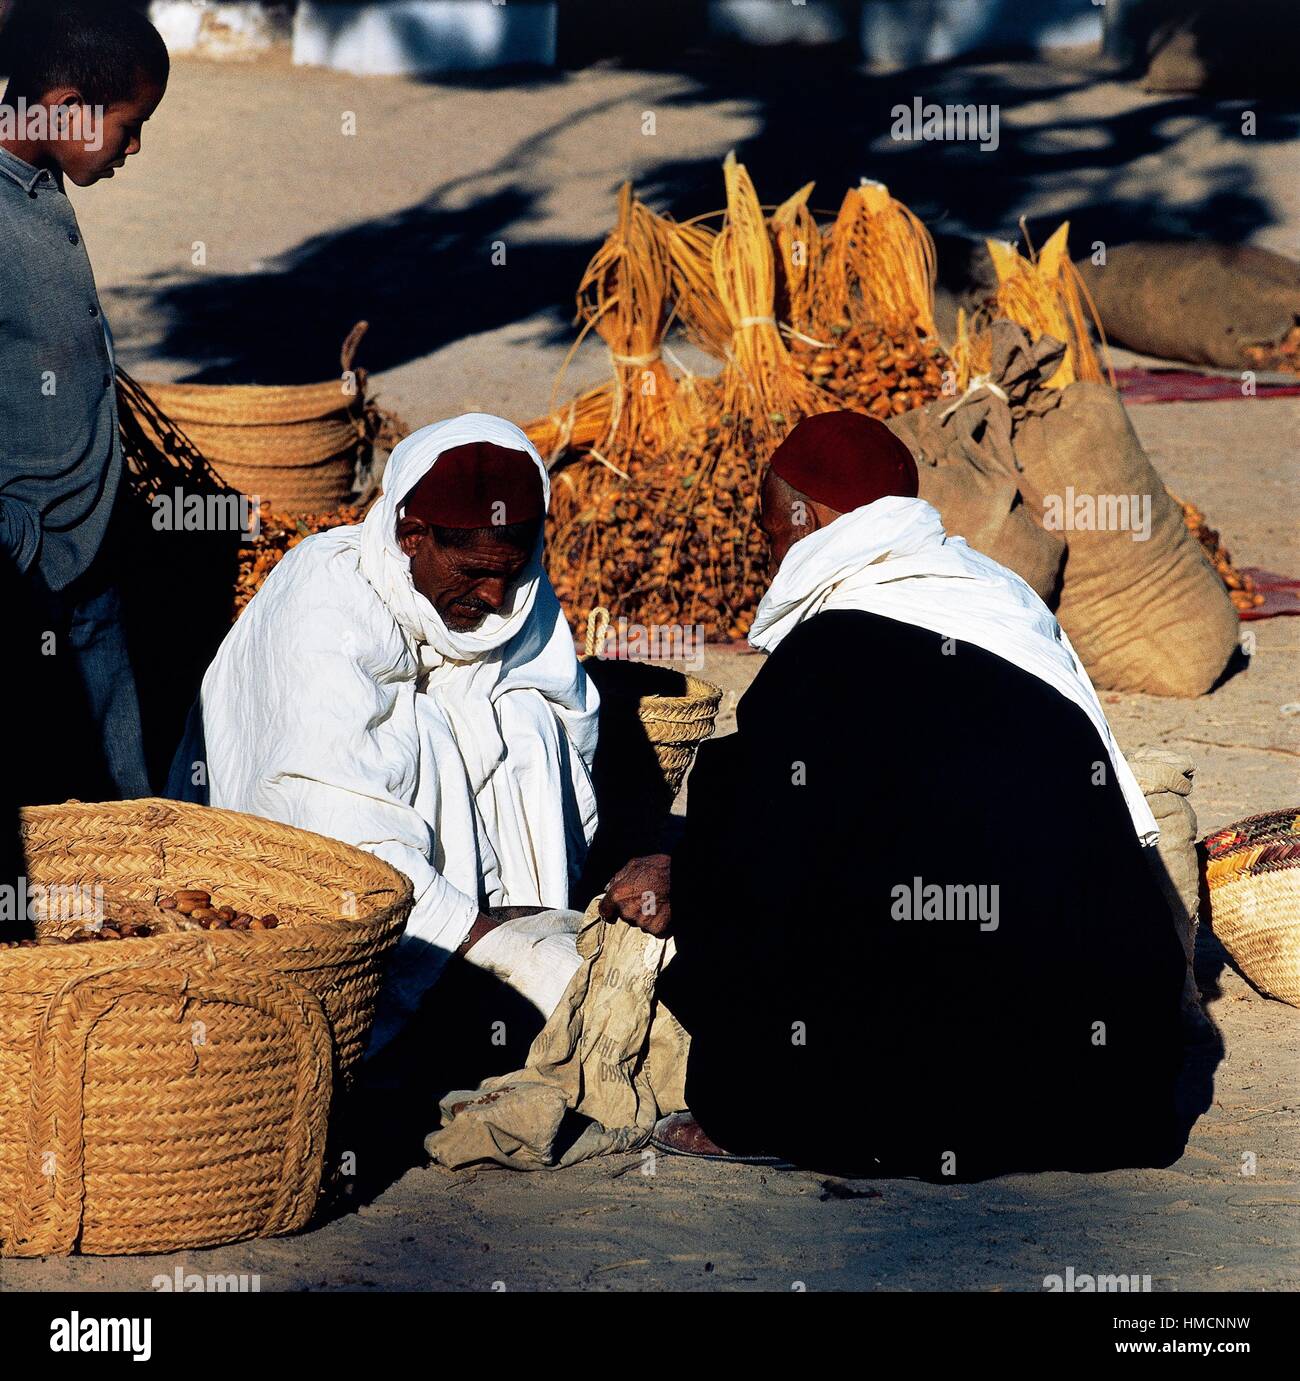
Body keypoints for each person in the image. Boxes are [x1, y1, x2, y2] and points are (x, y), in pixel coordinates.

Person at [603, 410, 1188, 1179]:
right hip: (1113, 1087)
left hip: (950, 1082)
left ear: (805, 519)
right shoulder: (1001, 601)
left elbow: (767, 854)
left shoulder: (827, 654)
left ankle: (761, 1107)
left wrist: (696, 872)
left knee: (747, 827)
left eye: (772, 532)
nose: (772, 557)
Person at [194, 416, 600, 1054]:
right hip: (341, 907)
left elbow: (573, 726)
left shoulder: (517, 593)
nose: (496, 596)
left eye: (512, 570)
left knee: (524, 713)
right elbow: (327, 813)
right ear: (411, 535)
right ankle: (436, 991)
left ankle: (494, 968)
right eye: (471, 571)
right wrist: (487, 941)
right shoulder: (327, 591)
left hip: (493, 908)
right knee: (429, 731)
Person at [0, 0, 169, 802]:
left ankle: (146, 883)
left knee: (118, 759)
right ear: (65, 108)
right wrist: (16, 537)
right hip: (23, 554)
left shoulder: (38, 184)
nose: (135, 147)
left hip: (87, 540)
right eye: (130, 125)